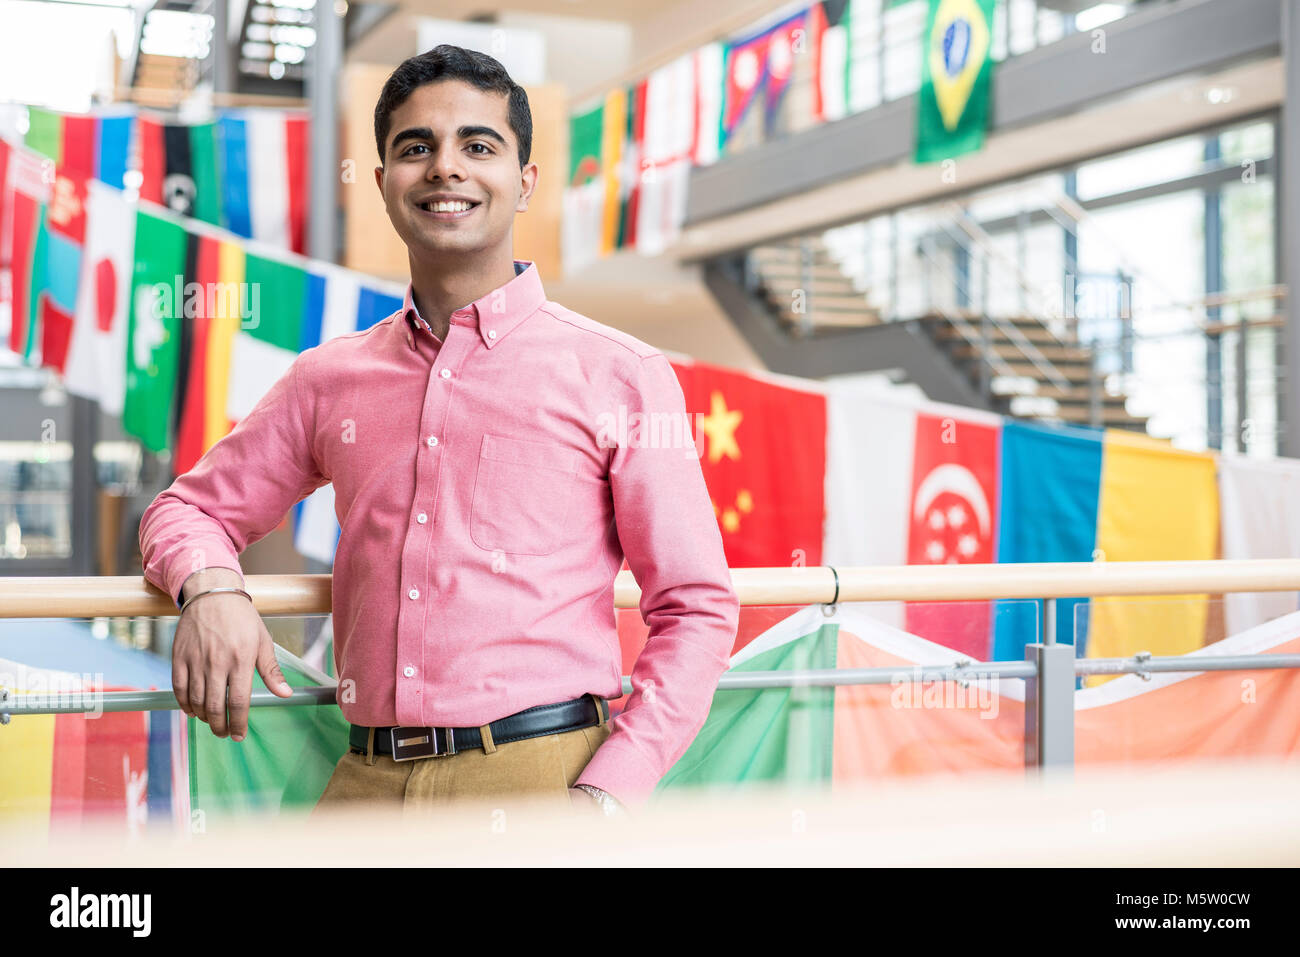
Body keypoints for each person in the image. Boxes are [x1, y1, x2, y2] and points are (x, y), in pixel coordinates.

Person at [138, 44, 739, 818]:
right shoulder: (329, 378)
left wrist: (606, 794)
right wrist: (212, 589)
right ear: (384, 184)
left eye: (477, 146)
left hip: (545, 780)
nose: (444, 168)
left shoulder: (622, 373)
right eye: (414, 148)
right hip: (361, 780)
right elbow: (186, 509)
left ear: (523, 183)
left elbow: (696, 605)